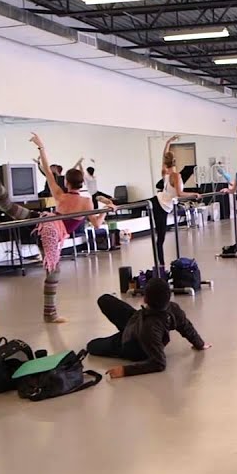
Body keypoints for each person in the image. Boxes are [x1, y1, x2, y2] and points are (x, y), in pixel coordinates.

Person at [0, 133, 106, 323]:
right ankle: (50, 314)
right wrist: (105, 210)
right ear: (82, 183)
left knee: (8, 206)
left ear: (66, 182)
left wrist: (41, 147)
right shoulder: (86, 202)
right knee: (53, 273)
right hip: (51, 233)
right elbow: (97, 224)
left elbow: (47, 170)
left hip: (41, 220)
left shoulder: (60, 194)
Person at [87, 278, 207, 378]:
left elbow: (159, 363)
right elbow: (186, 326)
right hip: (136, 319)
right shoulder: (173, 308)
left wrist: (125, 371)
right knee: (104, 299)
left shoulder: (150, 328)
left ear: (145, 299)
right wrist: (200, 344)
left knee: (91, 346)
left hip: (131, 343)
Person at [151, 136, 201, 267]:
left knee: (159, 238)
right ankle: (160, 265)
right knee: (160, 238)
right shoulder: (176, 176)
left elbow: (163, 158)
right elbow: (179, 194)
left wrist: (168, 143)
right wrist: (194, 194)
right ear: (175, 162)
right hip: (162, 206)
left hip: (157, 200)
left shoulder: (165, 173)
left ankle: (160, 264)